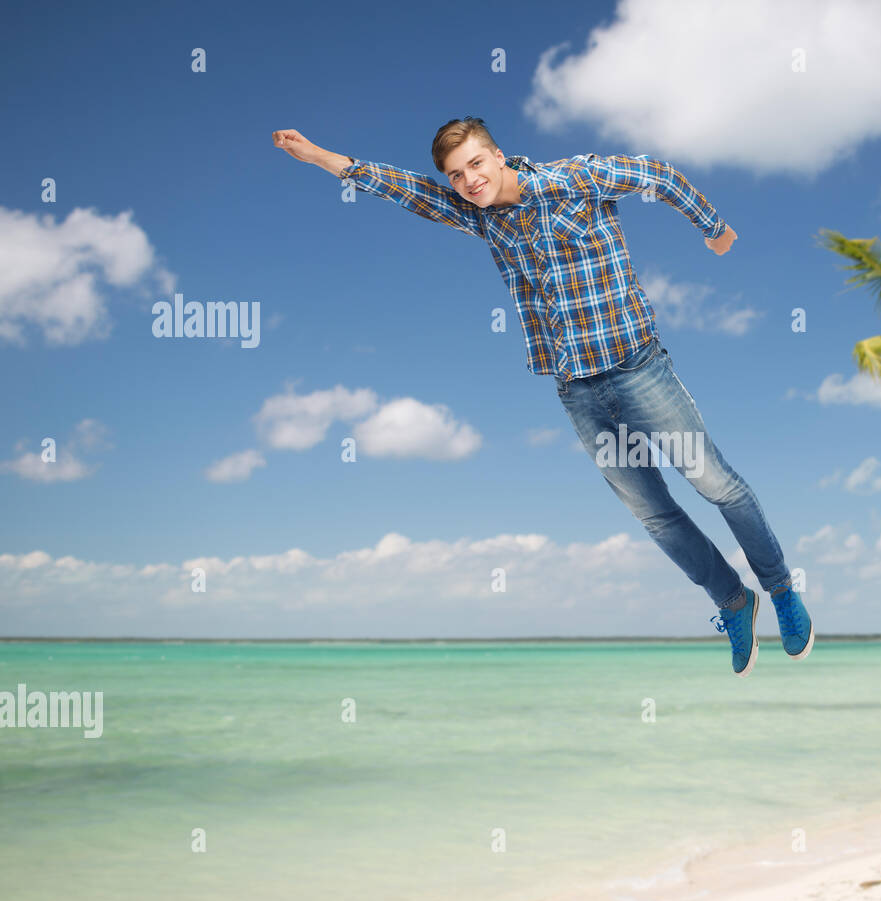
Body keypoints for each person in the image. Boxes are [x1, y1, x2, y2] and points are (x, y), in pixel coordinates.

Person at [272, 117, 812, 675]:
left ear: (499, 156)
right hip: (576, 389)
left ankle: (780, 593)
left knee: (714, 483)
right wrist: (321, 159)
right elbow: (408, 191)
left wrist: (714, 227)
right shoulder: (482, 219)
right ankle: (733, 601)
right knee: (654, 514)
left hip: (638, 367)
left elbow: (658, 175)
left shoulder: (574, 178)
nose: (469, 181)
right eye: (457, 176)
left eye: (476, 165)